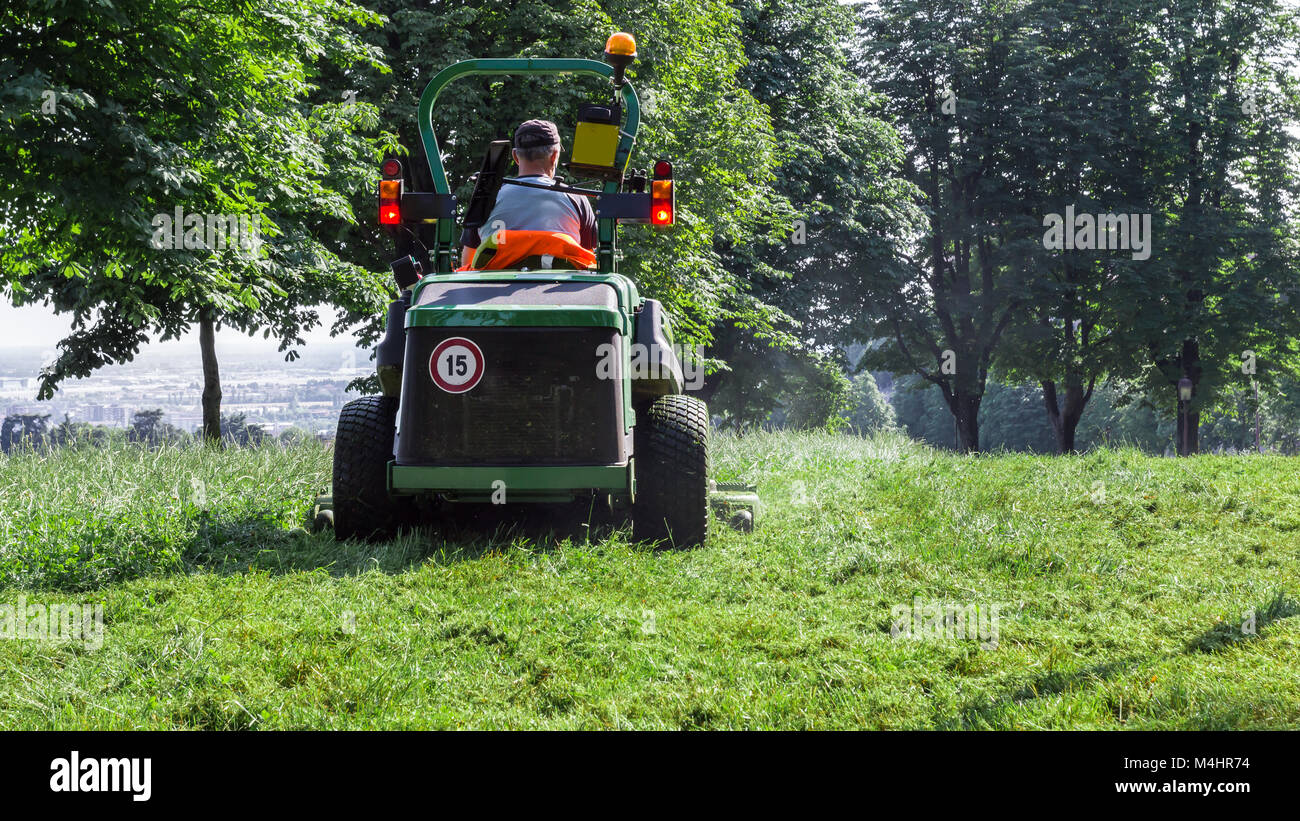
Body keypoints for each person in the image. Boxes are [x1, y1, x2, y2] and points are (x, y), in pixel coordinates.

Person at [458, 119, 598, 268]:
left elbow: (469, 264)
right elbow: (585, 260)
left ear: (515, 156)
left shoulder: (485, 199)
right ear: (554, 156)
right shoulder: (576, 199)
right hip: (558, 289)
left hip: (491, 289)